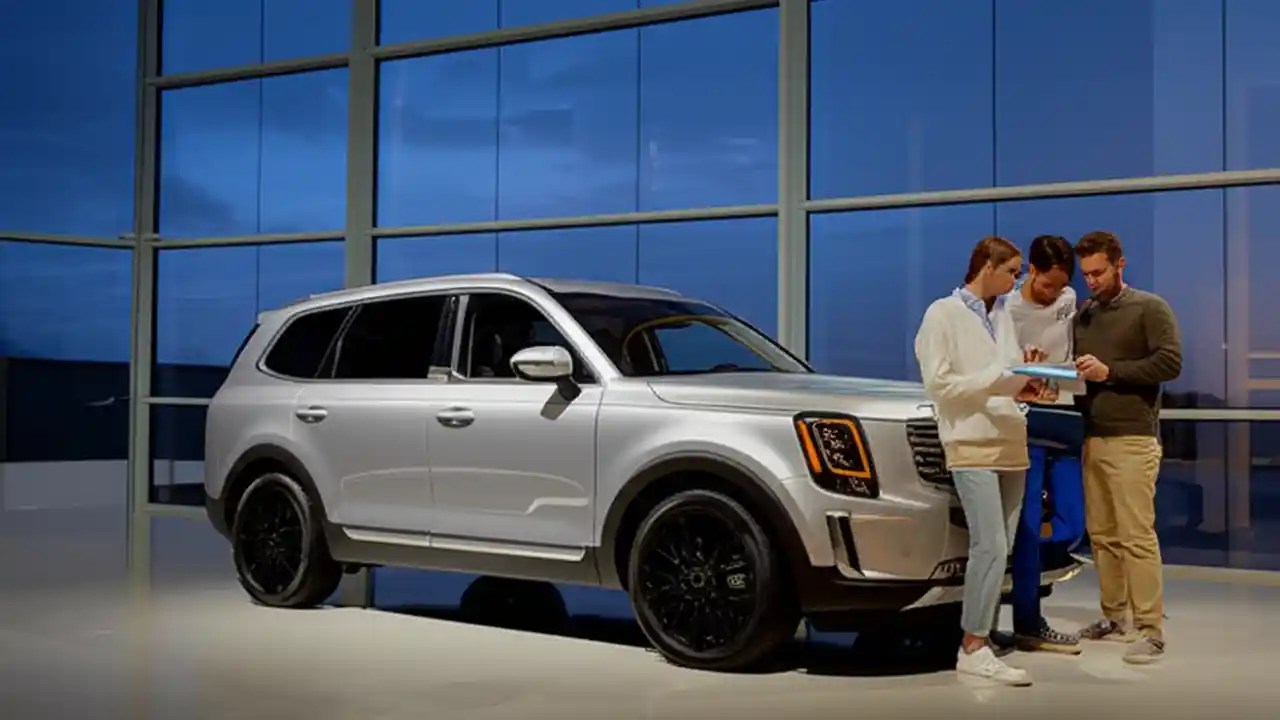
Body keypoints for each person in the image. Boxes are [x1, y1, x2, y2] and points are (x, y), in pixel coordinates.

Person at [914, 236, 1044, 686]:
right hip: (970, 441)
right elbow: (940, 385)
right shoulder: (942, 314)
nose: (1016, 280)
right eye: (1011, 271)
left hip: (1010, 439)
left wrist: (1025, 385)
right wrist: (1000, 379)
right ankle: (972, 646)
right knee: (988, 544)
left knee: (1001, 547)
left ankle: (982, 636)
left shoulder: (1003, 314)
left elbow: (1003, 378)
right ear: (987, 266)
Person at [1071, 230, 1182, 665]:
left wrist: (1110, 372)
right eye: (1085, 274)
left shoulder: (1149, 308)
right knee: (1102, 535)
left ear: (1120, 264)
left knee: (1136, 535)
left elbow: (1170, 362)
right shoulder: (1085, 314)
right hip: (1093, 436)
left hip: (1133, 438)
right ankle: (1114, 617)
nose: (1091, 281)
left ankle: (1151, 630)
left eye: (1098, 272)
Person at [993, 234, 1086, 655]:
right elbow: (1002, 367)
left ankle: (1021, 573)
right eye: (1047, 284)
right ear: (1031, 271)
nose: (1053, 292)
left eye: (1061, 284)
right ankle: (1028, 621)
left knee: (1074, 522)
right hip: (1025, 421)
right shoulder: (1007, 308)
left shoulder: (1068, 298)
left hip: (1064, 419)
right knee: (1028, 525)